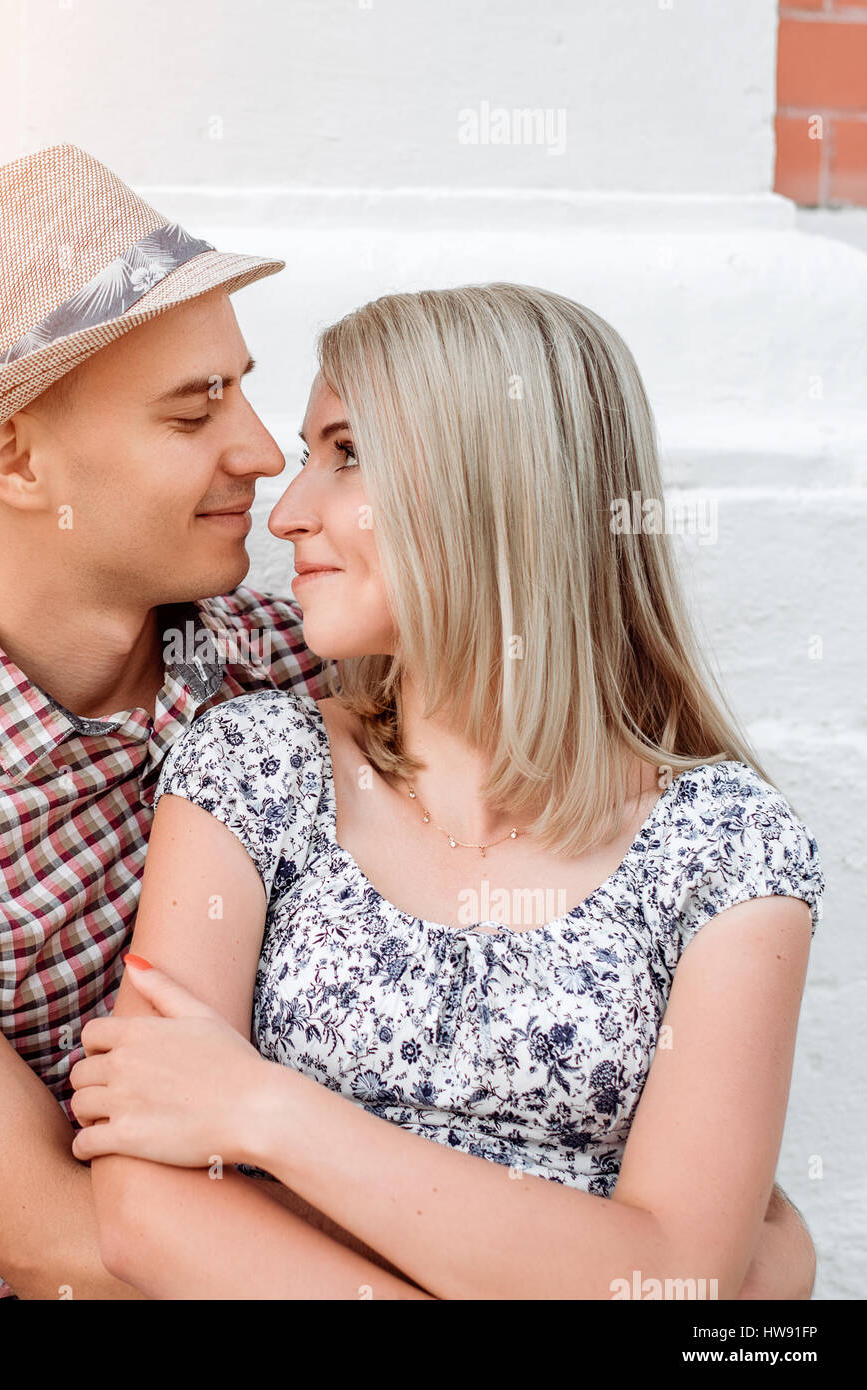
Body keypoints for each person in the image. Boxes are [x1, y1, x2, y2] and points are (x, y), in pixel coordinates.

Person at [0, 141, 816, 1300]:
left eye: (245, 390)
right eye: (194, 414)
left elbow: (706, 1235)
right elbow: (66, 1240)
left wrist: (707, 1264)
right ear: (18, 461)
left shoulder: (309, 660)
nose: (260, 455)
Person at [70, 284, 825, 1300]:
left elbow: (673, 1278)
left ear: (495, 484)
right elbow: (144, 1212)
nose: (287, 514)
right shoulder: (254, 769)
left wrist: (266, 1112)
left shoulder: (727, 848)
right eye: (308, 456)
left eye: (345, 453)